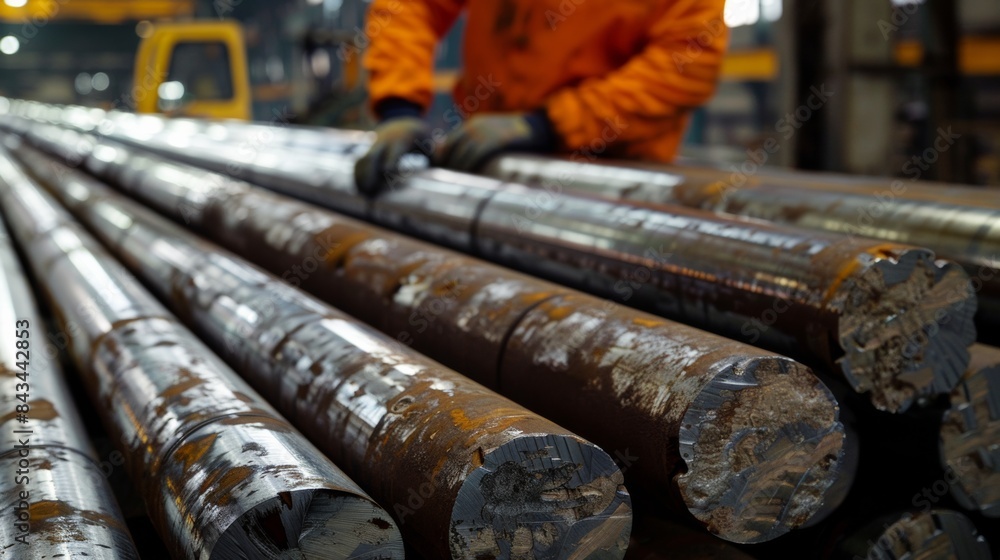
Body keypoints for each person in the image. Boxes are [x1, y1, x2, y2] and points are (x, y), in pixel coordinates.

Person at [354, 0, 728, 195]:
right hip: (491, 161)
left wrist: (550, 125)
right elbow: (411, 7)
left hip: (617, 174)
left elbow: (689, 58)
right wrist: (398, 107)